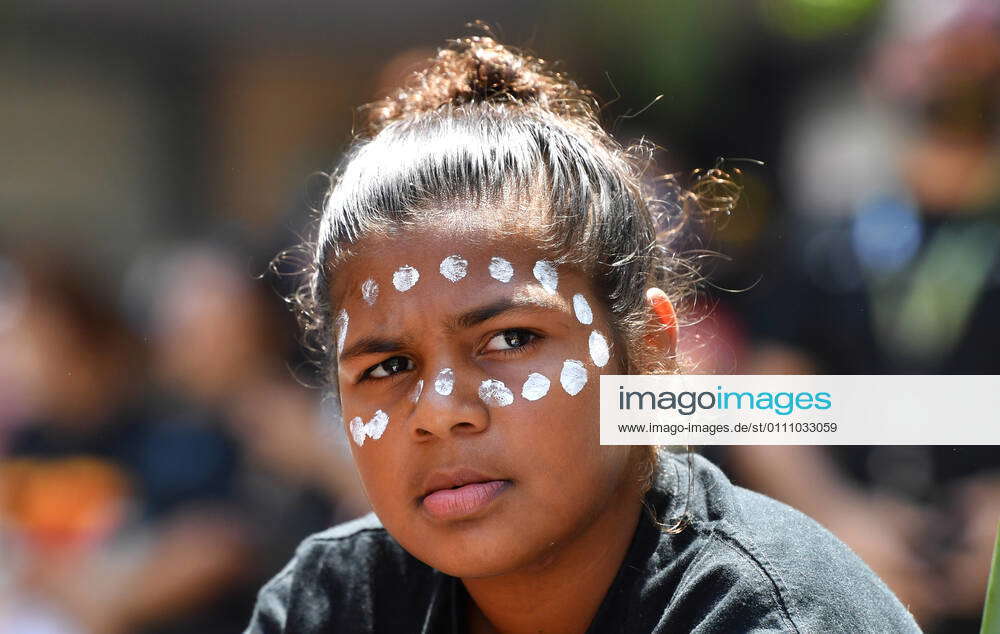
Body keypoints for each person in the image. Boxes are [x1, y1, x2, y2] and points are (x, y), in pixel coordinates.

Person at [245, 34, 920, 633]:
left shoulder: (765, 614)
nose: (440, 411)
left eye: (510, 340)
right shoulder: (332, 602)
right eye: (389, 366)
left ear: (650, 353)